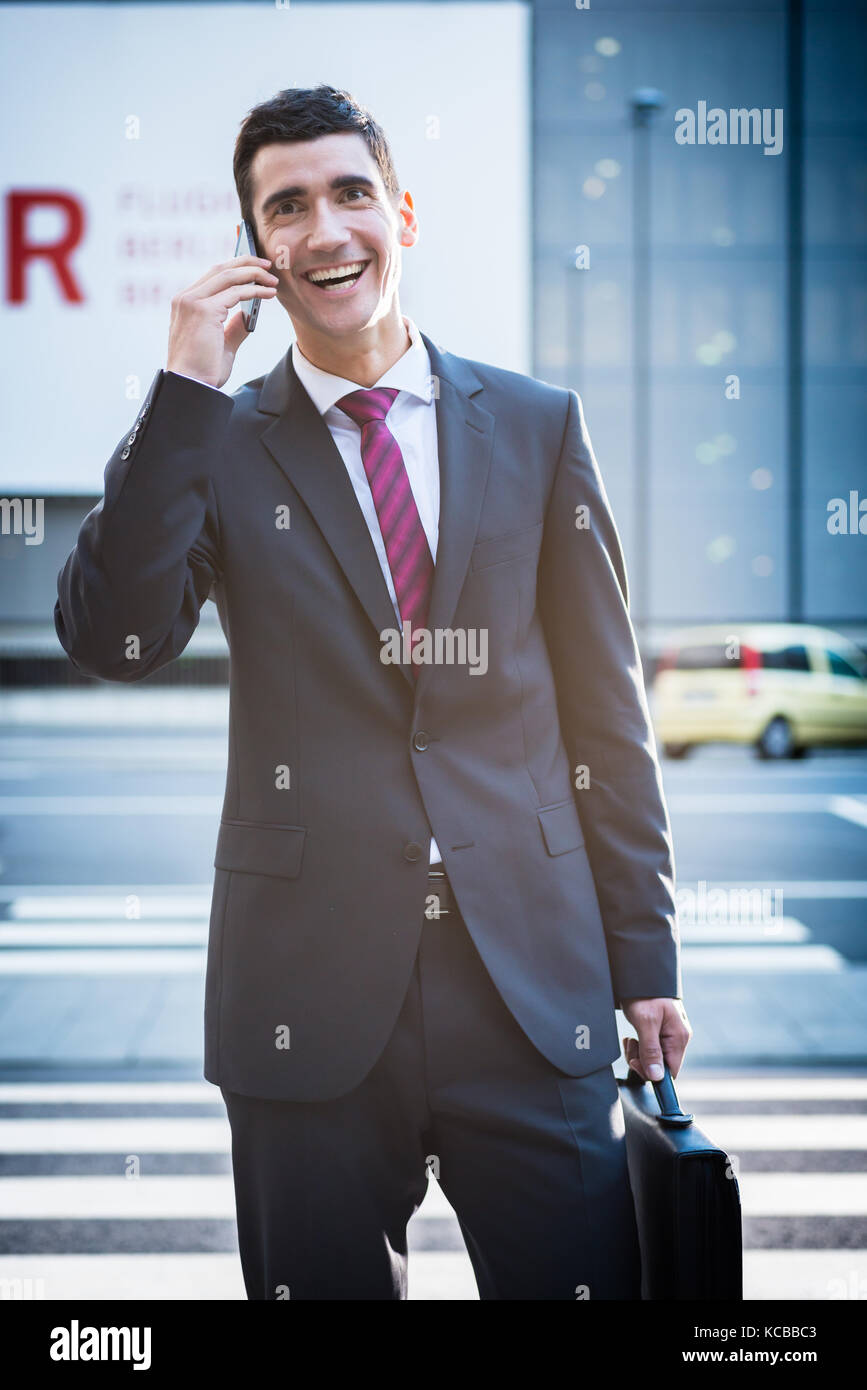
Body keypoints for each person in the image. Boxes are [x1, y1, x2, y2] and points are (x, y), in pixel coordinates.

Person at [55, 84, 692, 1301]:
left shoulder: (538, 425)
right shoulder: (216, 441)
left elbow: (607, 711)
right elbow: (115, 638)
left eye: (350, 192)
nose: (326, 228)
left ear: (400, 210)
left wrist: (643, 952)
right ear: (257, 254)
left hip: (531, 979)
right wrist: (183, 386)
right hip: (307, 994)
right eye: (285, 208)